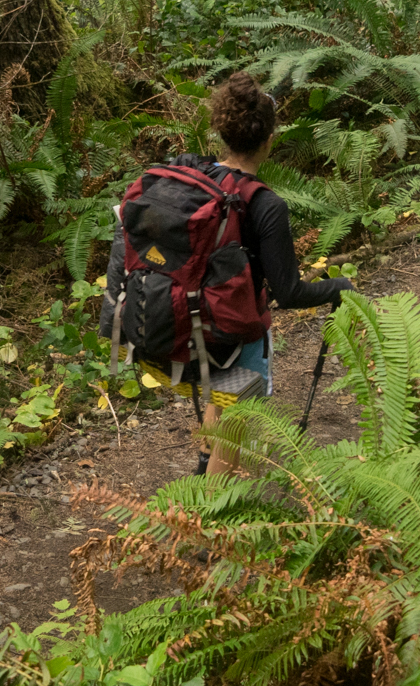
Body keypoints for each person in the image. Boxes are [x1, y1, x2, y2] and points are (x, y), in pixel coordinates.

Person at [132, 72, 353, 469]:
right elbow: (289, 293)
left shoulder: (197, 179)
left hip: (187, 322)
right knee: (235, 438)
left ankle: (203, 460)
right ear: (270, 141)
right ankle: (210, 516)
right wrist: (339, 288)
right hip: (233, 333)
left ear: (224, 134)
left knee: (219, 397)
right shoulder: (266, 205)